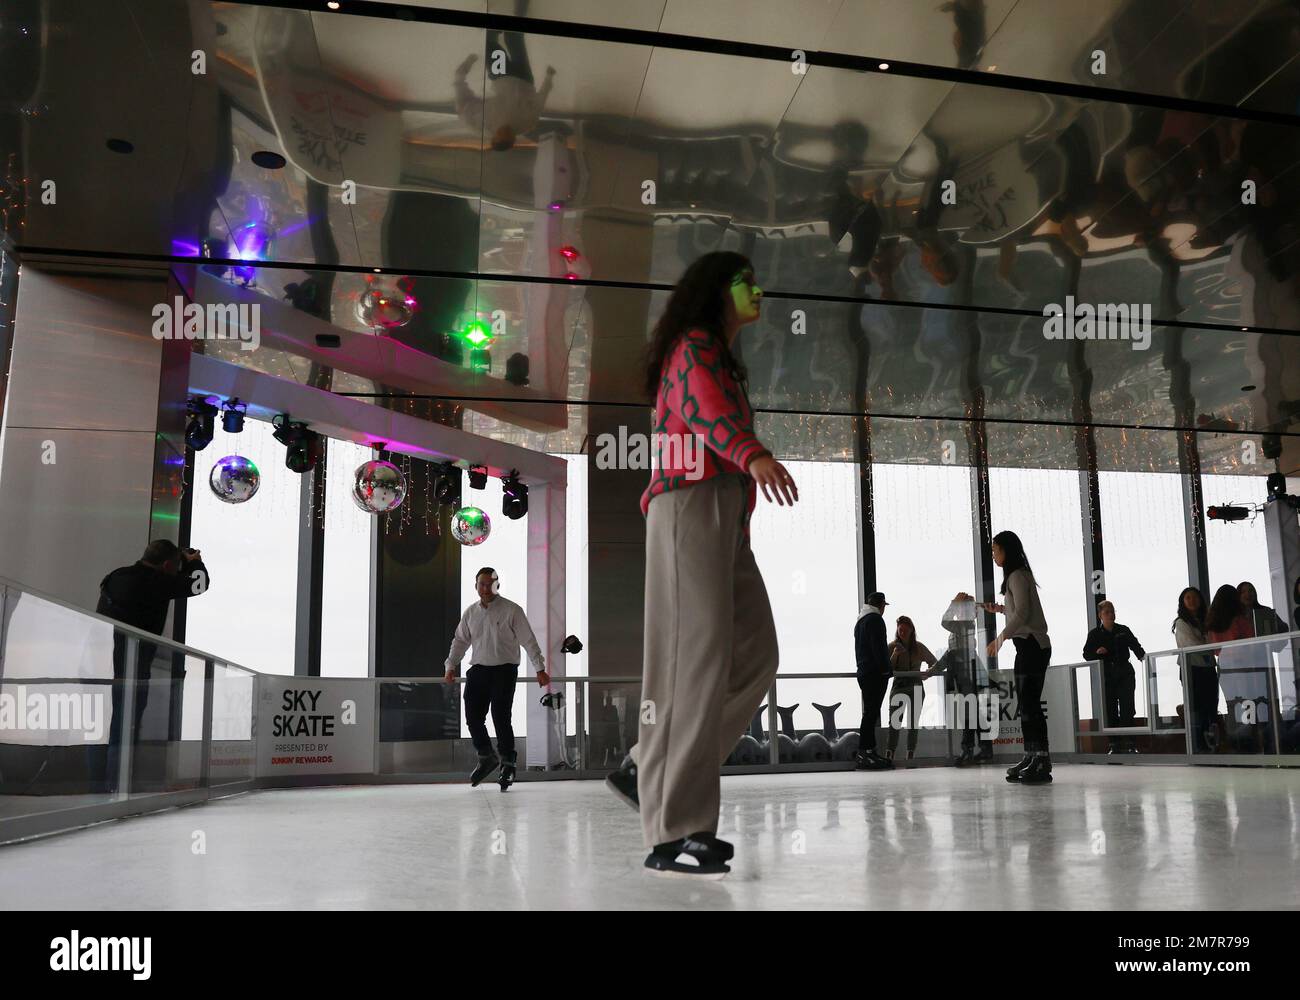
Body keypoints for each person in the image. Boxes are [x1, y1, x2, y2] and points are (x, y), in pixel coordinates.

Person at [604, 251, 798, 879]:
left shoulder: (718, 353)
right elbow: (706, 412)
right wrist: (754, 455)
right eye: (745, 281)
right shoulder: (693, 347)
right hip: (690, 506)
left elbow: (715, 409)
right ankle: (675, 832)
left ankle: (647, 766)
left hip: (723, 520)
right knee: (690, 666)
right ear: (717, 291)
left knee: (755, 654)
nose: (758, 289)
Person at [96, 539, 210, 791]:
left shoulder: (116, 577)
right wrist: (195, 563)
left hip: (102, 667)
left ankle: (104, 785)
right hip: (135, 668)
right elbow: (199, 584)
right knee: (127, 726)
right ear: (168, 564)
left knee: (111, 726)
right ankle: (119, 786)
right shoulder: (158, 582)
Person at [443, 568, 549, 790]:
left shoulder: (512, 610)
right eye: (482, 584)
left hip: (504, 670)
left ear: (497, 585)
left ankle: (508, 765)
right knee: (472, 718)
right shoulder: (471, 613)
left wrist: (539, 668)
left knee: (500, 717)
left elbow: (528, 640)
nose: (485, 588)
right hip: (479, 670)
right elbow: (460, 641)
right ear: (476, 586)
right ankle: (486, 756)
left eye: (490, 584)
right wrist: (451, 665)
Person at [983, 530, 1053, 784]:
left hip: (1034, 644)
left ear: (1007, 550)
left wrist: (1000, 639)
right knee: (1026, 705)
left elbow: (1023, 614)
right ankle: (1031, 755)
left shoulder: (1018, 575)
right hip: (1025, 646)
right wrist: (1000, 609)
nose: (993, 554)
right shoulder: (1015, 577)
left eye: (995, 549)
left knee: (1031, 704)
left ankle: (1042, 759)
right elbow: (1017, 612)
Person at [454, 30, 555, 152]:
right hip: (525, 78)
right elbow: (539, 102)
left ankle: (492, 34)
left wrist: (461, 75)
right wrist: (548, 78)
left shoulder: (482, 124)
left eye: (502, 134)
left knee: (491, 47)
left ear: (494, 138)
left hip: (501, 75)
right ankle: (517, 17)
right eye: (510, 136)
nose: (507, 132)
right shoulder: (526, 124)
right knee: (515, 41)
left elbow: (463, 107)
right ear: (513, 139)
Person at [932, 592, 994, 765]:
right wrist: (933, 669)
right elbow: (951, 653)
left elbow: (944, 621)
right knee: (973, 712)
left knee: (969, 713)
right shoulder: (964, 626)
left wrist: (953, 602)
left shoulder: (965, 625)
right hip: (966, 672)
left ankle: (970, 750)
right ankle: (984, 749)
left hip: (967, 673)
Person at [1082, 601, 1146, 754]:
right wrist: (1097, 653)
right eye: (1107, 612)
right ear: (1100, 616)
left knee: (1128, 708)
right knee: (1110, 710)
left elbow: (1136, 647)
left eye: (1112, 611)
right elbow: (1086, 654)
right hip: (1107, 675)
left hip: (1125, 673)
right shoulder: (1094, 634)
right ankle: (1114, 744)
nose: (1111, 614)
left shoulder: (1123, 630)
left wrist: (1145, 659)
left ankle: (1131, 743)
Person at [1207, 583, 1264, 753]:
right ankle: (1250, 742)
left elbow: (1216, 649)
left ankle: (1235, 742)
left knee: (1232, 705)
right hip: (1244, 665)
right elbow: (1251, 642)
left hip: (1224, 665)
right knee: (1248, 703)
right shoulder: (1239, 619)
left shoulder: (1213, 621)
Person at [1174, 586, 1219, 753]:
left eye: (1195, 597)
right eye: (1188, 598)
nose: (1192, 600)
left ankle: (1212, 744)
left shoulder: (1207, 621)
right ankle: (1198, 746)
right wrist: (1210, 645)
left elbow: (1214, 642)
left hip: (1208, 667)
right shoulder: (1181, 622)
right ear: (1183, 602)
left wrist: (1209, 645)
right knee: (1197, 708)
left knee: (1211, 705)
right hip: (1191, 668)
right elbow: (1193, 645)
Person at [886, 616, 937, 762]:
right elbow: (887, 668)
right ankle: (890, 753)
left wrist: (928, 674)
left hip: (915, 685)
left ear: (911, 630)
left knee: (913, 723)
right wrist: (895, 654)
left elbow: (933, 662)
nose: (902, 632)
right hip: (899, 686)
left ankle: (910, 754)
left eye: (905, 630)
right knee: (894, 722)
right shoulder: (892, 646)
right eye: (900, 630)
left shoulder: (919, 647)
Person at [854, 592, 894, 771]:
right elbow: (879, 649)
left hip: (863, 672)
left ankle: (869, 751)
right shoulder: (876, 620)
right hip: (875, 673)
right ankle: (866, 752)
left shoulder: (860, 622)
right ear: (881, 605)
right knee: (871, 714)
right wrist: (886, 670)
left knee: (869, 713)